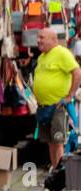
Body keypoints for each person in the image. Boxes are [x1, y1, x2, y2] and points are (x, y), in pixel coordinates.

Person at [31, 27, 81, 171]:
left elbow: (77, 72)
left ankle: (61, 177)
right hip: (44, 107)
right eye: (38, 37)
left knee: (58, 142)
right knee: (50, 143)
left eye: (42, 38)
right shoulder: (42, 56)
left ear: (53, 40)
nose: (38, 40)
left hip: (58, 107)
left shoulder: (62, 53)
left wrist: (70, 95)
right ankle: (55, 174)